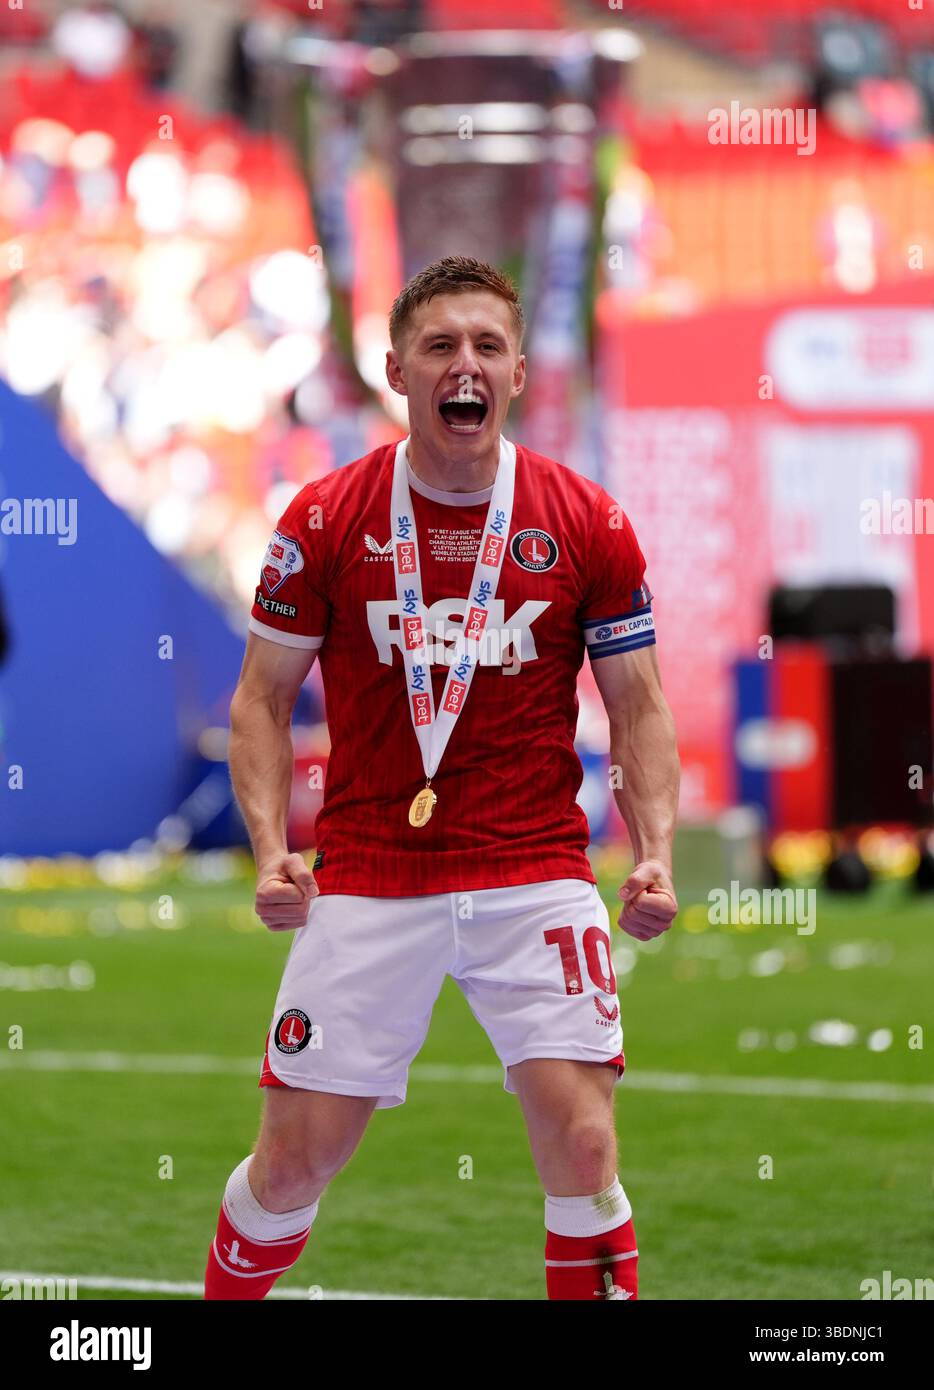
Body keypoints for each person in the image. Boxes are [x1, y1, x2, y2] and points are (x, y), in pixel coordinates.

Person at [205, 256, 680, 1301]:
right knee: (290, 1164)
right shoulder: (326, 520)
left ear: (515, 374)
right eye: (439, 346)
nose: (463, 365)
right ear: (395, 371)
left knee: (585, 1146)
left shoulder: (587, 521)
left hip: (534, 869)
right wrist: (273, 847)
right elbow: (258, 700)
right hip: (370, 872)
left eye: (486, 346)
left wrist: (652, 858)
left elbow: (639, 705)